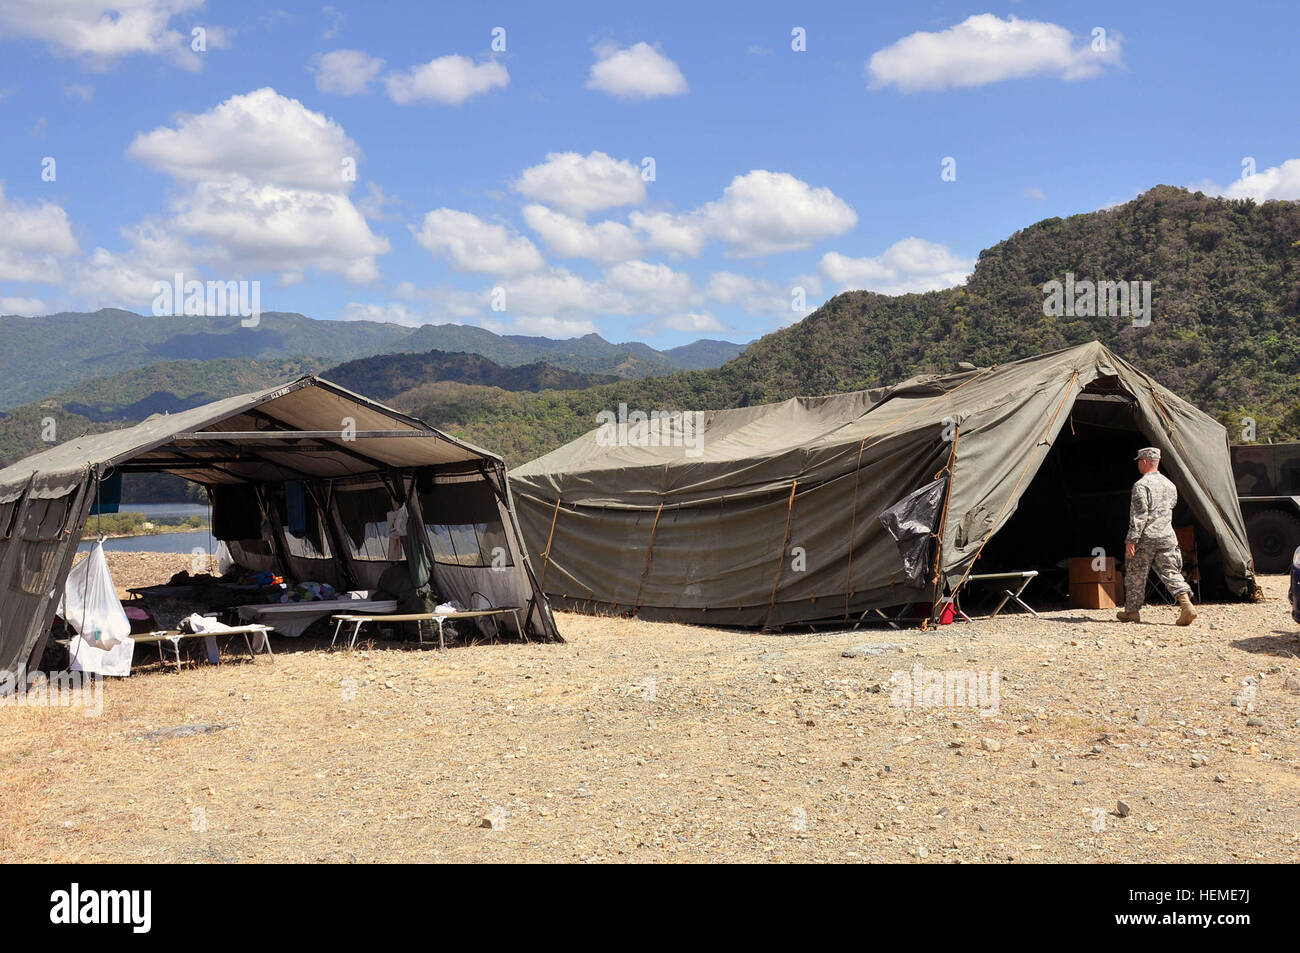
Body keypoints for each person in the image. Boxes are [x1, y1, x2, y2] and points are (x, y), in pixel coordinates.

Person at [1117, 447, 1197, 625]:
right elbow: (1171, 506)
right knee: (1170, 571)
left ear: (1144, 461)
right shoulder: (1170, 485)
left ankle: (1131, 612)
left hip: (1146, 536)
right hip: (1167, 535)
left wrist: (1132, 539)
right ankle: (1186, 605)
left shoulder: (1141, 485)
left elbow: (1140, 514)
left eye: (1139, 461)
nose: (1138, 464)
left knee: (1135, 573)